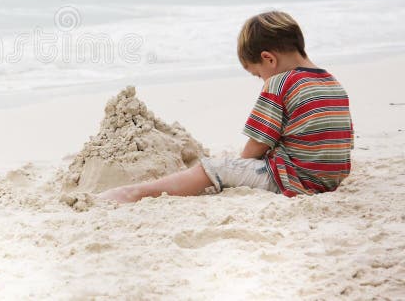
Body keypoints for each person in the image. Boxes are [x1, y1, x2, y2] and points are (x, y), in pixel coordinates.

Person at [99, 11, 354, 203]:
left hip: (297, 180)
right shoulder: (332, 82)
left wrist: (237, 166)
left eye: (257, 74)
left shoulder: (280, 83)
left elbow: (257, 144)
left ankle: (135, 193)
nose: (262, 80)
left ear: (268, 59)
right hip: (330, 179)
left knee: (215, 167)